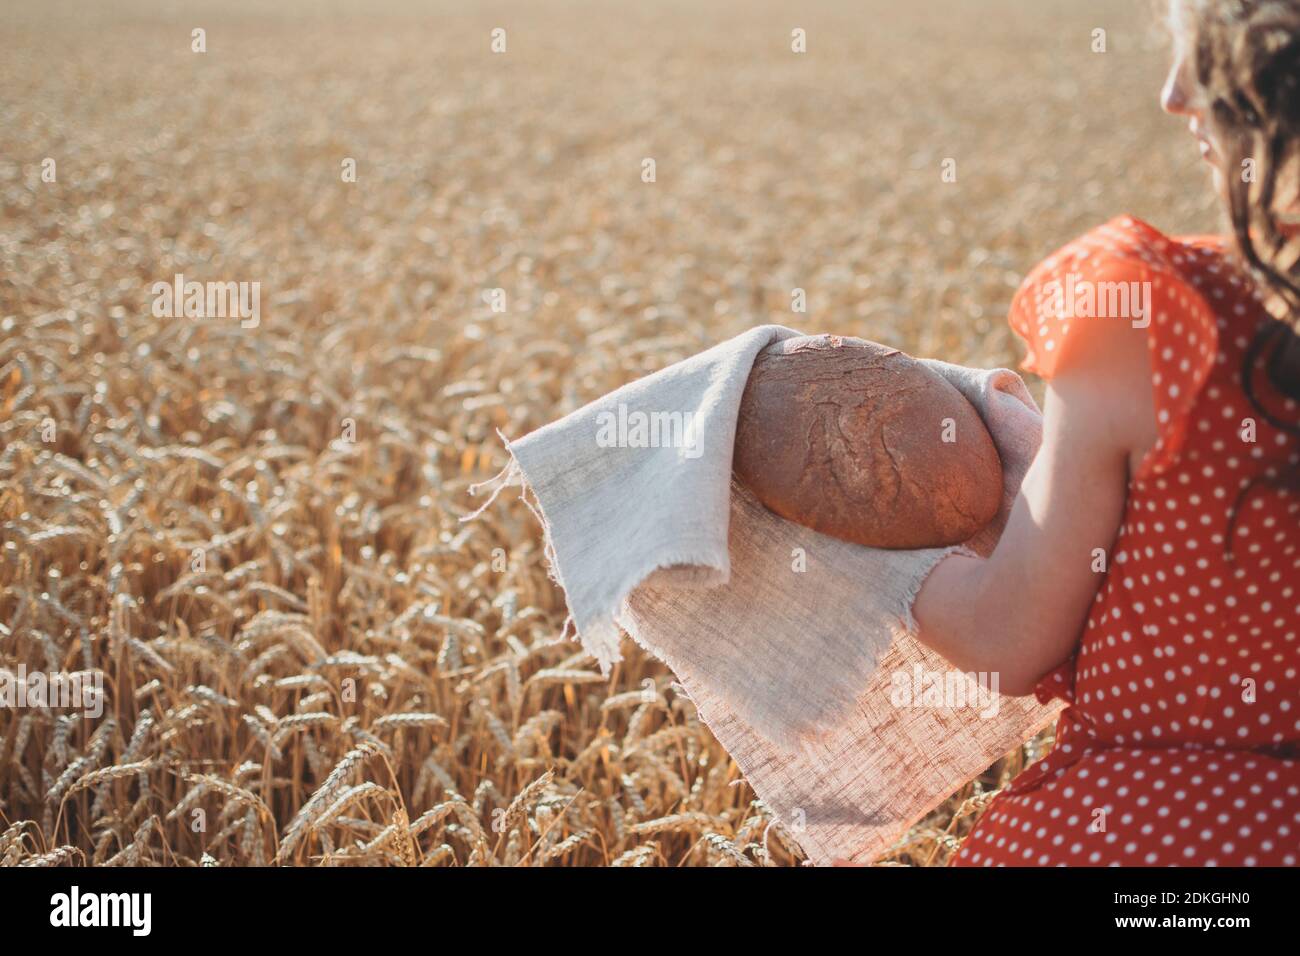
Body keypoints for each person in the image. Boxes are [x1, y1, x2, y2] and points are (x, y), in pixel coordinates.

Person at [912, 0, 1300, 865]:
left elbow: (1000, 645)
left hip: (1142, 848)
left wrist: (864, 550)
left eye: (1204, 56)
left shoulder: (1156, 319)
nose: (1173, 96)